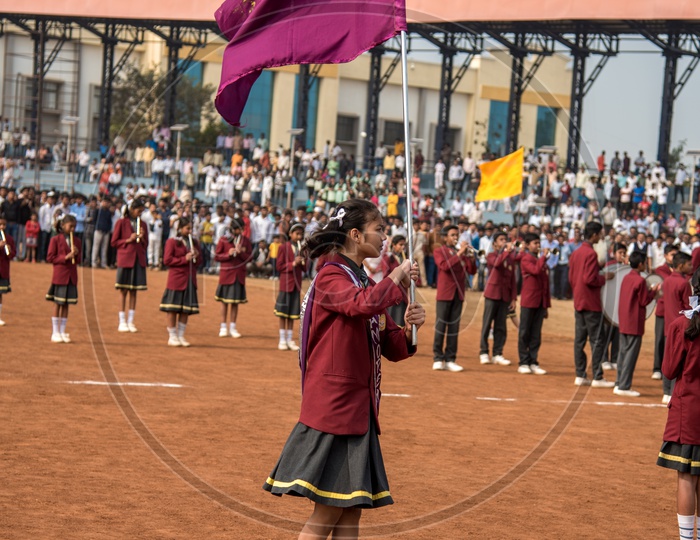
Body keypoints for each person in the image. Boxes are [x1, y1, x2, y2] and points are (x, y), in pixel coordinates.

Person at [263, 199, 425, 540]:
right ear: (354, 234)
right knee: (327, 514)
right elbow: (360, 307)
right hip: (335, 410)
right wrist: (395, 277)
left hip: (356, 410)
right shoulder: (332, 276)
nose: (384, 236)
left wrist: (411, 328)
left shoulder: (361, 279)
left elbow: (389, 344)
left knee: (350, 514)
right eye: (378, 229)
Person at [656, 266, 700, 540]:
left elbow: (670, 370)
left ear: (693, 288)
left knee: (686, 476)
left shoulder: (682, 324)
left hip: (690, 409)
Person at [568, 221, 615, 387]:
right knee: (596, 339)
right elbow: (589, 279)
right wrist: (604, 278)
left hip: (579, 300)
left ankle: (580, 374)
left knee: (580, 339)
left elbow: (572, 277)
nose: (601, 237)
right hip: (591, 302)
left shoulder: (577, 252)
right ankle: (597, 376)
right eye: (600, 234)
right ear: (594, 235)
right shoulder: (590, 254)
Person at [615, 252, 660, 397]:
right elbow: (644, 301)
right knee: (630, 355)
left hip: (624, 320)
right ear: (640, 264)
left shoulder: (627, 277)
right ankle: (624, 385)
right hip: (634, 321)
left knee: (623, 352)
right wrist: (653, 292)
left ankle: (619, 382)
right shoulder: (640, 281)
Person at [432, 225, 476, 372]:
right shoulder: (440, 251)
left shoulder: (461, 253)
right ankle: (438, 358)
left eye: (457, 234)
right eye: (452, 235)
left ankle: (451, 358)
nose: (456, 237)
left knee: (454, 328)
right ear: (445, 237)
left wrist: (471, 257)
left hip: (459, 294)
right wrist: (459, 254)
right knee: (441, 326)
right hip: (445, 294)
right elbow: (444, 266)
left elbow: (472, 270)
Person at [159, 217, 201, 347]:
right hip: (176, 279)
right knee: (173, 308)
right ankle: (172, 335)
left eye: (191, 229)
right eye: (187, 228)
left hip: (189, 279)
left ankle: (181, 335)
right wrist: (184, 259)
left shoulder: (194, 243)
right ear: (180, 228)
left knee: (185, 309)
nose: (189, 231)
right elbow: (167, 260)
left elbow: (198, 263)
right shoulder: (172, 242)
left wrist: (197, 256)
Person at [111, 199, 148, 333]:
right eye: (138, 210)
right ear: (131, 209)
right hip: (125, 259)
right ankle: (122, 320)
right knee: (123, 290)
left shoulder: (143, 224)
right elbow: (114, 242)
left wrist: (142, 238)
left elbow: (145, 245)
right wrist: (128, 240)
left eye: (142, 211)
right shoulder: (121, 222)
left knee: (134, 290)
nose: (140, 213)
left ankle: (131, 321)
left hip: (138, 259)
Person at [479, 231, 516, 366]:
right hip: (492, 294)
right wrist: (506, 252)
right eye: (501, 240)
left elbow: (512, 279)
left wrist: (513, 298)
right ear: (494, 243)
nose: (504, 242)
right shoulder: (491, 255)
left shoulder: (510, 258)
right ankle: (483, 352)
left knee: (501, 326)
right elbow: (497, 264)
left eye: (505, 240)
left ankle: (497, 353)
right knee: (487, 324)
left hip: (504, 296)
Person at [517, 233, 550, 375]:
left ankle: (533, 361)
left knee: (536, 333)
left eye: (538, 243)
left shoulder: (538, 260)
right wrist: (543, 258)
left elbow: (545, 283)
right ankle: (523, 362)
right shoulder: (526, 258)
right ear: (528, 245)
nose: (538, 246)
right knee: (525, 332)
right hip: (529, 300)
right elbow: (535, 271)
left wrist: (546, 305)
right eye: (535, 243)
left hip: (539, 301)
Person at [663, 251, 693, 404]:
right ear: (681, 265)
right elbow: (688, 308)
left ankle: (665, 391)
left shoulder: (667, 280)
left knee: (668, 358)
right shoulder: (683, 283)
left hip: (669, 324)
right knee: (679, 361)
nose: (691, 266)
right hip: (681, 328)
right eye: (689, 264)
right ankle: (671, 392)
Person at [46, 214, 81, 343]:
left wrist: (76, 254)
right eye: (70, 226)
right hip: (60, 276)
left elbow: (79, 260)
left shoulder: (77, 241)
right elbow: (50, 257)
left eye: (74, 227)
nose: (72, 229)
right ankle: (55, 332)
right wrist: (65, 257)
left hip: (71, 276)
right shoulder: (55, 239)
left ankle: (62, 331)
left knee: (66, 304)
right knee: (58, 303)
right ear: (63, 225)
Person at [214, 220, 252, 338]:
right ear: (232, 229)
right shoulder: (223, 239)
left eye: (242, 229)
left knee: (235, 303)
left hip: (239, 275)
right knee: (224, 302)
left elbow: (249, 258)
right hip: (227, 274)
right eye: (238, 229)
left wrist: (240, 253)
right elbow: (216, 256)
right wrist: (228, 254)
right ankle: (223, 327)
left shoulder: (245, 241)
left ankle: (233, 327)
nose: (240, 231)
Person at [274, 223, 307, 351]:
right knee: (283, 313)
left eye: (301, 234)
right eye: (296, 234)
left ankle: (289, 338)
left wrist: (304, 260)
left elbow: (305, 268)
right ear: (290, 234)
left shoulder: (302, 249)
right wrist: (293, 263)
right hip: (286, 284)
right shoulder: (283, 247)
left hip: (296, 285)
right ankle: (282, 339)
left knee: (292, 313)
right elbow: (279, 266)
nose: (299, 236)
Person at [653, 244, 678, 382]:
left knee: (672, 341)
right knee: (660, 340)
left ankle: (668, 369)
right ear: (665, 256)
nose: (674, 258)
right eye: (672, 255)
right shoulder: (660, 269)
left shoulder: (680, 270)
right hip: (662, 310)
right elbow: (669, 283)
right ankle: (657, 368)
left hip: (675, 311)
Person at [381, 235, 408, 327]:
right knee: (392, 322)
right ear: (394, 245)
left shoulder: (405, 259)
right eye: (400, 245)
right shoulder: (388, 258)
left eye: (404, 245)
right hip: (392, 294)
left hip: (403, 294)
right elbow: (386, 276)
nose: (403, 247)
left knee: (401, 321)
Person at [0, 215, 17, 326]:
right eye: (0, 224)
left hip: (3, 269)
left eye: (4, 225)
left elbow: (13, 254)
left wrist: (9, 251)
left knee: (0, 294)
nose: (2, 226)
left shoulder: (9, 239)